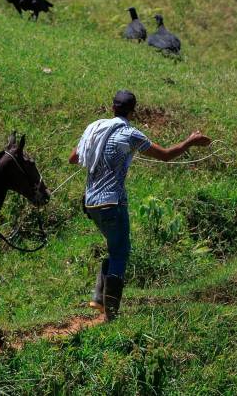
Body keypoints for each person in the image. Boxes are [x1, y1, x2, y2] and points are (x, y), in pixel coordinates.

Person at [69, 90, 211, 320]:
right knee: (120, 252)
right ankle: (111, 315)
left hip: (91, 203)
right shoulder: (130, 134)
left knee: (115, 248)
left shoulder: (95, 128)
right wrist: (190, 141)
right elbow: (166, 155)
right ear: (133, 111)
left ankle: (99, 297)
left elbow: (73, 158)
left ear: (112, 107)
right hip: (112, 202)